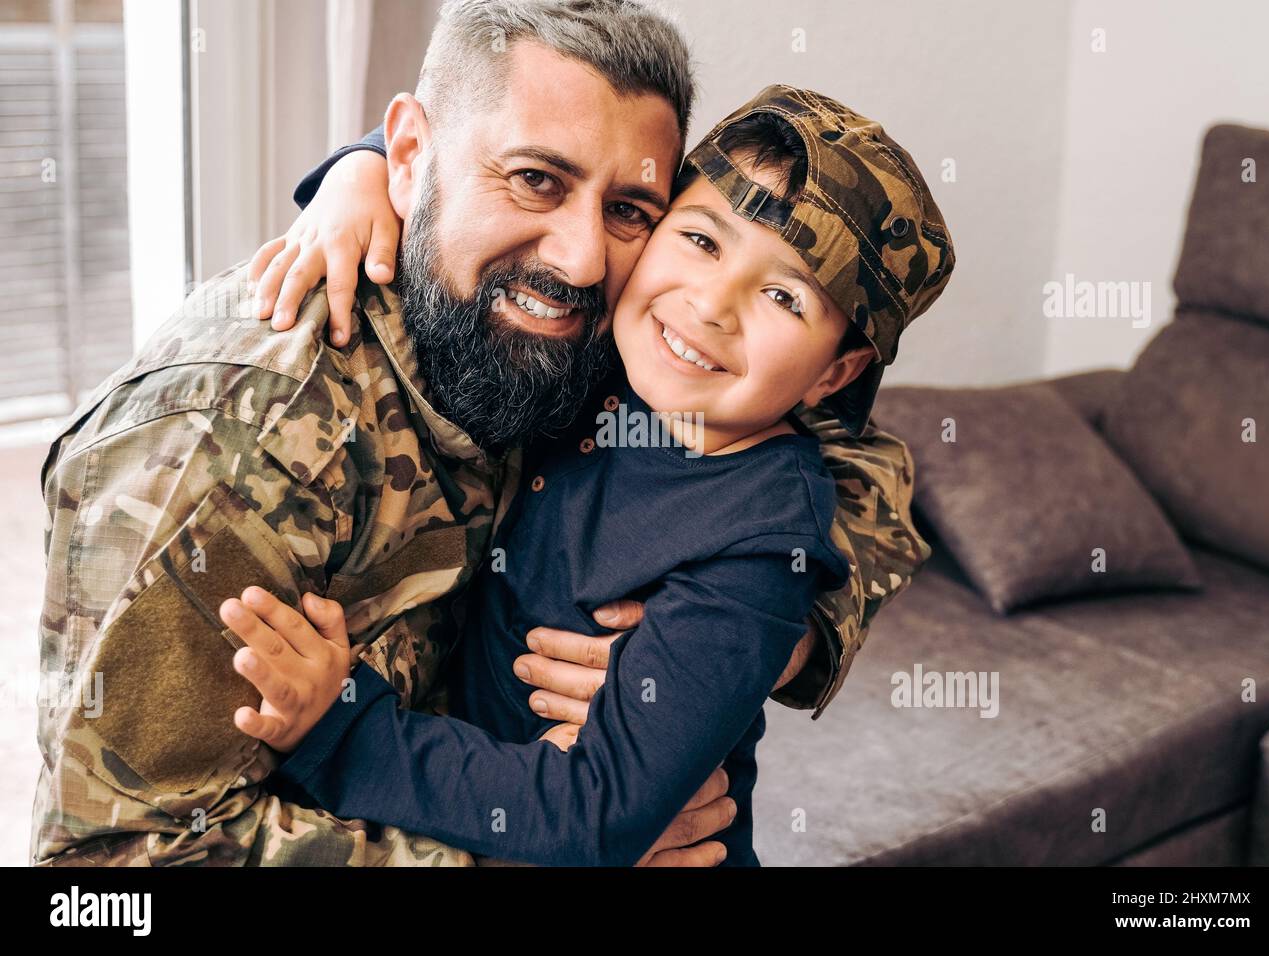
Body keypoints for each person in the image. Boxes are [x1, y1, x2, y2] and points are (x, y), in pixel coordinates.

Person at [32, 0, 929, 867]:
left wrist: (777, 640)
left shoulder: (623, 346)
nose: (580, 258)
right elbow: (104, 872)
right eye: (536, 180)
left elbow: (855, 465)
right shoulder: (230, 439)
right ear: (414, 155)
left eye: (628, 210)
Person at [223, 85, 955, 867]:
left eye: (783, 295)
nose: (711, 305)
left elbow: (592, 814)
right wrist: (363, 170)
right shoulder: (605, 345)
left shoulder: (758, 543)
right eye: (702, 240)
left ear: (834, 371)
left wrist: (342, 730)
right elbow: (495, 140)